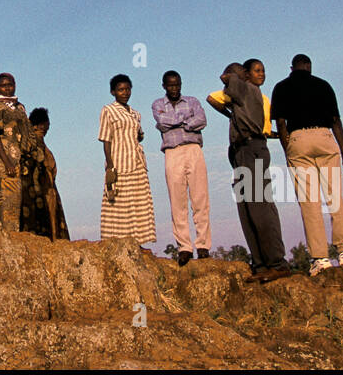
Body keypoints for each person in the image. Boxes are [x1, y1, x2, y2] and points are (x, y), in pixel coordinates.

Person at [270, 55, 343, 275]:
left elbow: (280, 123)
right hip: (325, 137)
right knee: (334, 196)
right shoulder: (323, 85)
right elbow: (336, 120)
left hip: (298, 139)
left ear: (292, 68)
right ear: (309, 67)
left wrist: (287, 147)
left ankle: (320, 257)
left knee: (310, 202)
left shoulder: (281, 87)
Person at [213, 61, 289, 281]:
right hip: (242, 151)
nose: (262, 74)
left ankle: (277, 262)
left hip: (252, 149)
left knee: (260, 207)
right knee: (247, 210)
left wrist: (237, 75)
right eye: (258, 70)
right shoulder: (244, 93)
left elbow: (225, 78)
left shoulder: (247, 88)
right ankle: (261, 264)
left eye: (263, 70)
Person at [151, 70, 210, 266]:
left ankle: (203, 245)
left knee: (200, 198)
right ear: (164, 86)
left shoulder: (192, 101)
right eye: (170, 85)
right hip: (172, 152)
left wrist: (176, 122)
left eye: (177, 85)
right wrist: (187, 121)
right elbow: (162, 122)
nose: (174, 88)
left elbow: (201, 120)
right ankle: (184, 247)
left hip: (193, 149)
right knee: (177, 201)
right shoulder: (158, 104)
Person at [98, 74, 157, 247]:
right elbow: (105, 139)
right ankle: (116, 243)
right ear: (113, 92)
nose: (125, 93)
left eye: (127, 89)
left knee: (137, 203)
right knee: (118, 203)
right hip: (119, 162)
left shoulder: (135, 113)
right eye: (121, 89)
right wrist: (110, 165)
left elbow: (140, 135)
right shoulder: (108, 110)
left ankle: (137, 242)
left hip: (137, 162)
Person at [0, 73, 39, 233]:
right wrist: (7, 161)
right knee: (2, 200)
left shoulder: (20, 107)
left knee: (16, 201)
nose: (7, 88)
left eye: (10, 84)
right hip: (3, 160)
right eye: (4, 85)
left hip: (19, 160)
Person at [28, 108, 69, 240]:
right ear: (42, 124)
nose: (48, 127)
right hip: (45, 190)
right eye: (47, 124)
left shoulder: (32, 141)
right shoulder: (38, 142)